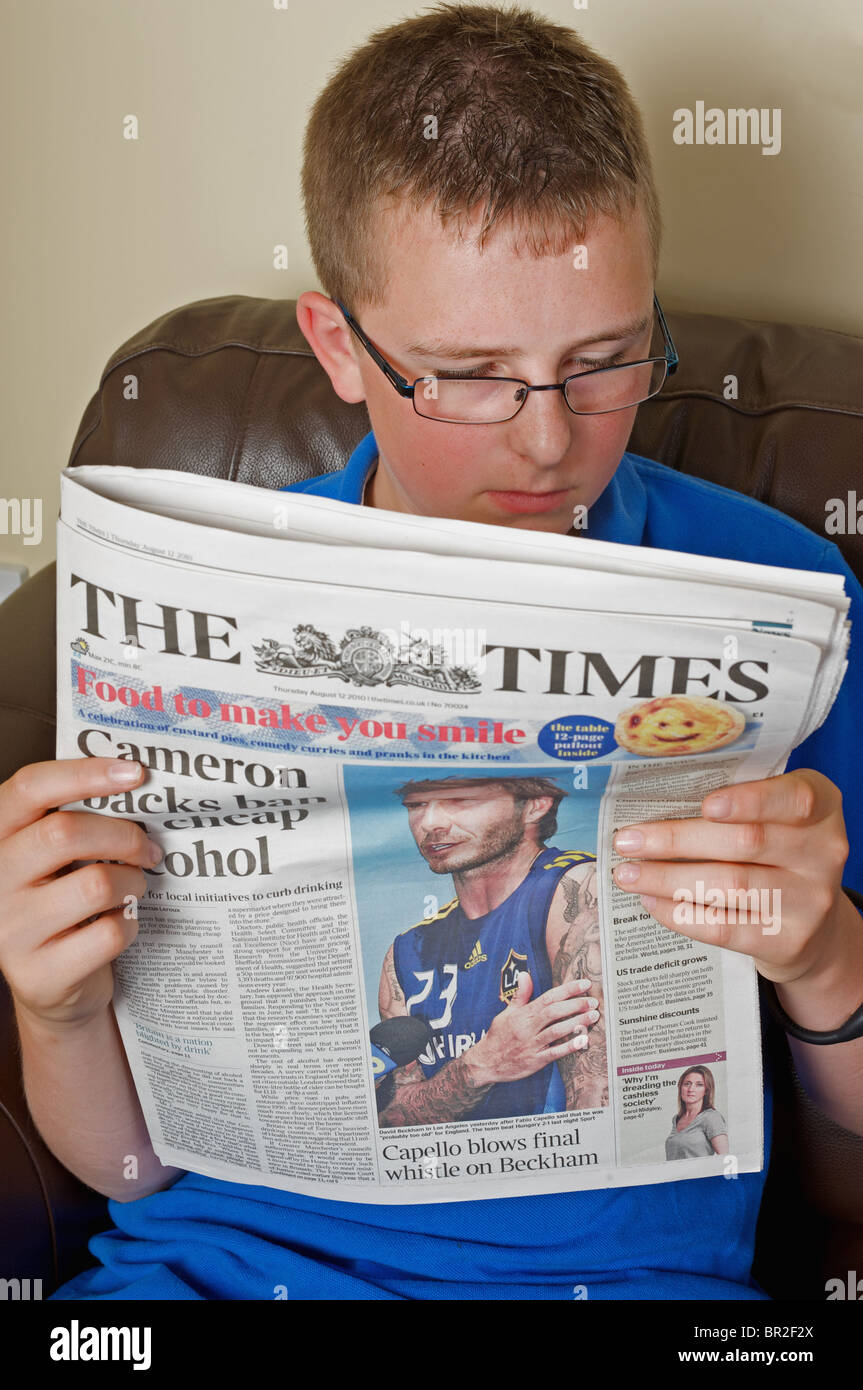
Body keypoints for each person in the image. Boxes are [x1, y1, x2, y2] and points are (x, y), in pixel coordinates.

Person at [0, 2, 859, 1300]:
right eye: (465, 373)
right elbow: (126, 1172)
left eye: (603, 361)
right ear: (339, 348)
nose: (543, 442)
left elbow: (846, 1184)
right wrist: (55, 1005)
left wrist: (824, 960)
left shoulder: (788, 593)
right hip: (207, 1279)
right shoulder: (194, 609)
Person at [375, 775, 605, 1126]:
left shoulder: (577, 890)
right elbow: (394, 1120)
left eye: (460, 799)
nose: (430, 823)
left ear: (534, 804)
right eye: (416, 805)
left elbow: (597, 1103)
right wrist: (480, 1066)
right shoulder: (405, 953)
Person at [665, 1067, 729, 1161]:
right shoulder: (676, 1119)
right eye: (687, 1084)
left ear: (706, 1090)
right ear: (680, 1087)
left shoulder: (711, 1117)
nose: (691, 1089)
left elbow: (725, 1158)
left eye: (699, 1085)